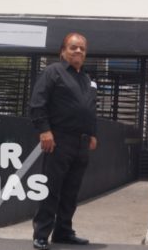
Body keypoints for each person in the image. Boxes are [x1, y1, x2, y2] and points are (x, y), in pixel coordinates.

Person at [29, 32, 98, 250]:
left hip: (81, 143)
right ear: (63, 51)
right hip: (58, 140)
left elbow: (90, 109)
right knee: (51, 188)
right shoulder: (53, 72)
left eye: (82, 49)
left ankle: (63, 232)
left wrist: (92, 133)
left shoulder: (87, 79)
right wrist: (44, 131)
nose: (78, 51)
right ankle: (41, 234)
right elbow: (38, 102)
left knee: (71, 191)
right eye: (73, 47)